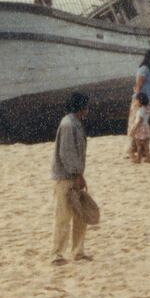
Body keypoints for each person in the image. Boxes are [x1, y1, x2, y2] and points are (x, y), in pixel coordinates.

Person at [51, 92, 92, 265]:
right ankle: (57, 254)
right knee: (64, 216)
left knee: (80, 216)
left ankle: (78, 251)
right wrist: (77, 175)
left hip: (73, 176)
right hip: (67, 177)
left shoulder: (74, 123)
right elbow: (66, 153)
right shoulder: (69, 124)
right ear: (81, 107)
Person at [129, 91, 150, 163]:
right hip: (146, 127)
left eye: (136, 100)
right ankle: (148, 157)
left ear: (140, 101)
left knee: (139, 144)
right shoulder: (147, 108)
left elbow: (139, 120)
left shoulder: (141, 110)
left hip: (140, 128)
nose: (135, 102)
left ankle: (138, 159)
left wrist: (133, 129)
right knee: (146, 144)